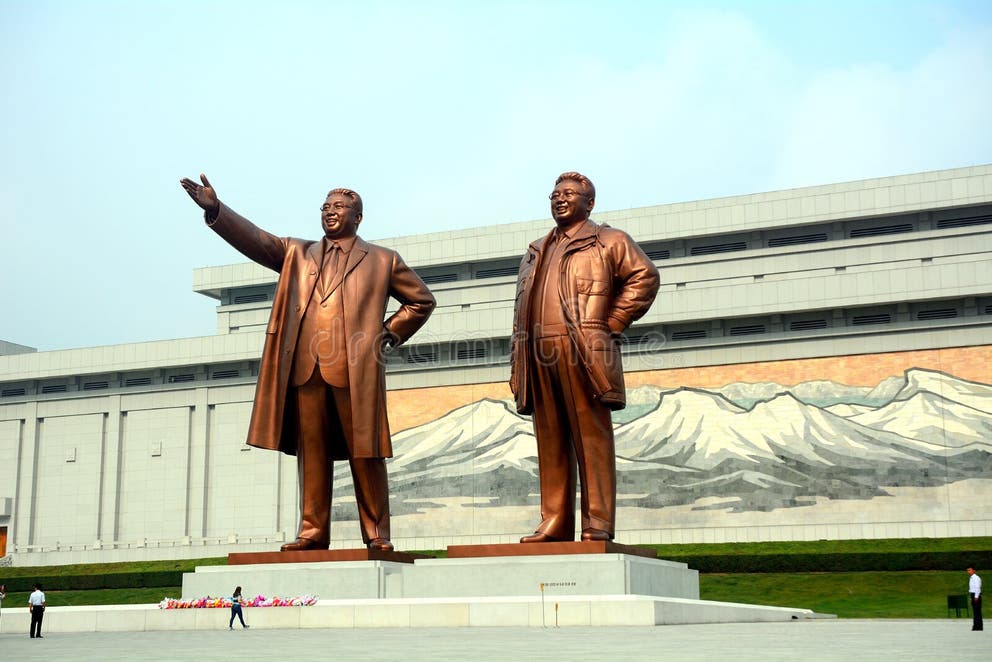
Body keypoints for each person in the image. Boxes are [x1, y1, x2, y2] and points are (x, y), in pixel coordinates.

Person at [181, 174, 435, 552]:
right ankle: (313, 531)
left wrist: (383, 336)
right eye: (326, 207)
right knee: (311, 454)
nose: (331, 212)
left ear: (358, 217)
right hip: (305, 368)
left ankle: (376, 533)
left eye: (340, 207)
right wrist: (217, 209)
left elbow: (421, 301)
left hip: (354, 369)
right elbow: (256, 240)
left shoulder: (383, 260)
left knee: (365, 451)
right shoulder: (297, 254)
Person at [511, 172, 659, 543]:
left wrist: (613, 321)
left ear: (589, 203)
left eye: (570, 194)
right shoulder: (536, 249)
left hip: (583, 347)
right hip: (539, 350)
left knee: (590, 436)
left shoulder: (609, 240)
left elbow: (645, 276)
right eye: (555, 194)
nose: (560, 199)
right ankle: (554, 521)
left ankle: (597, 522)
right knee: (551, 438)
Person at [968, 566, 983, 631]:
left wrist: (976, 596)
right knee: (975, 612)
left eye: (970, 570)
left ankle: (978, 627)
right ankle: (976, 626)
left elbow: (977, 588)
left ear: (974, 570)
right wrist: (972, 597)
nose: (968, 571)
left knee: (977, 612)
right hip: (973, 595)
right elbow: (972, 588)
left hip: (976, 595)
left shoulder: (976, 578)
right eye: (968, 570)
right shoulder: (971, 578)